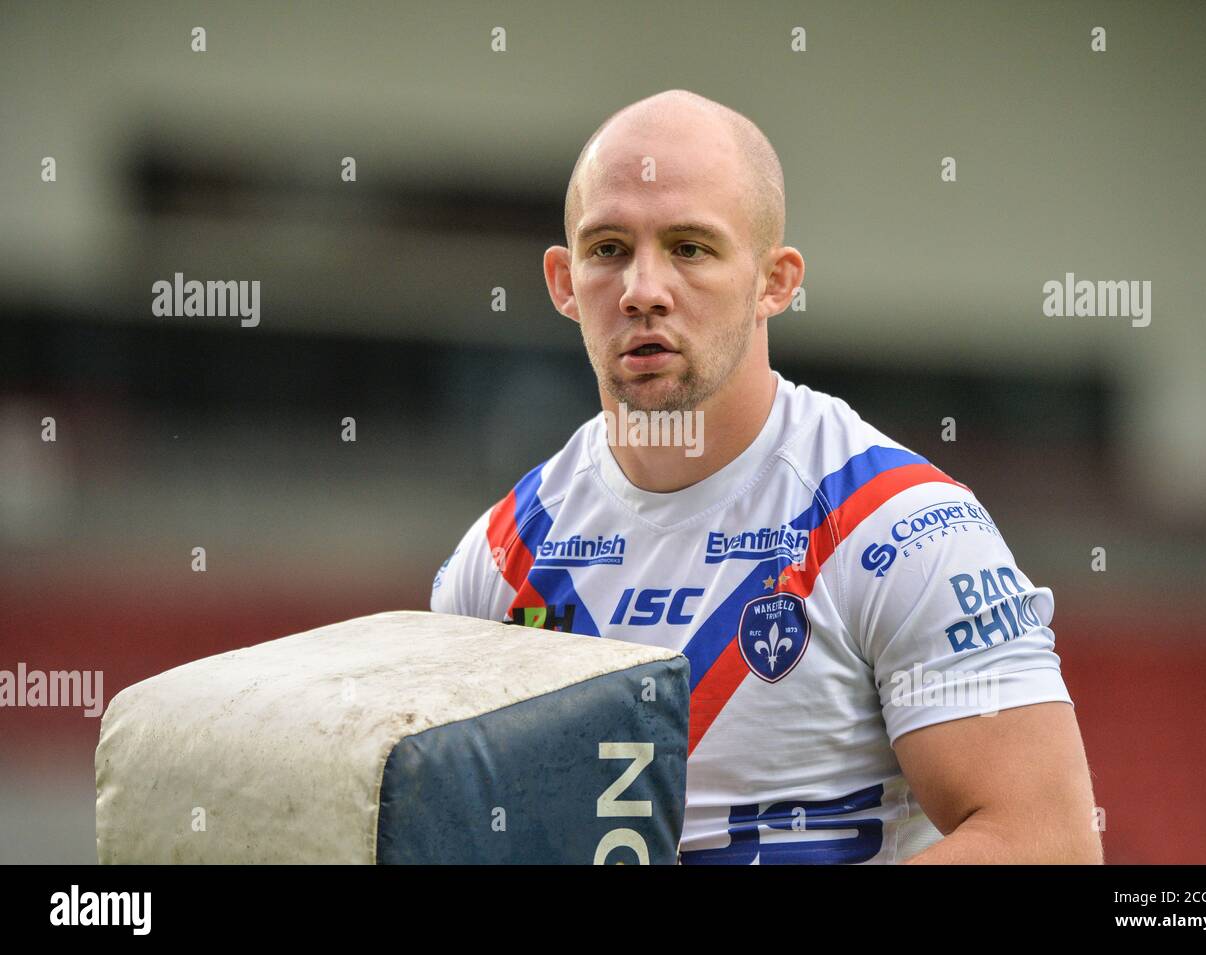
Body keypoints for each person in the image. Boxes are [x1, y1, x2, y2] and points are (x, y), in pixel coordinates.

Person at [431, 89, 1102, 864]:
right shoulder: (497, 562)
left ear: (776, 281)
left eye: (690, 248)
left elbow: (1048, 843)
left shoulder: (898, 525)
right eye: (608, 248)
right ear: (562, 281)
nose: (643, 290)